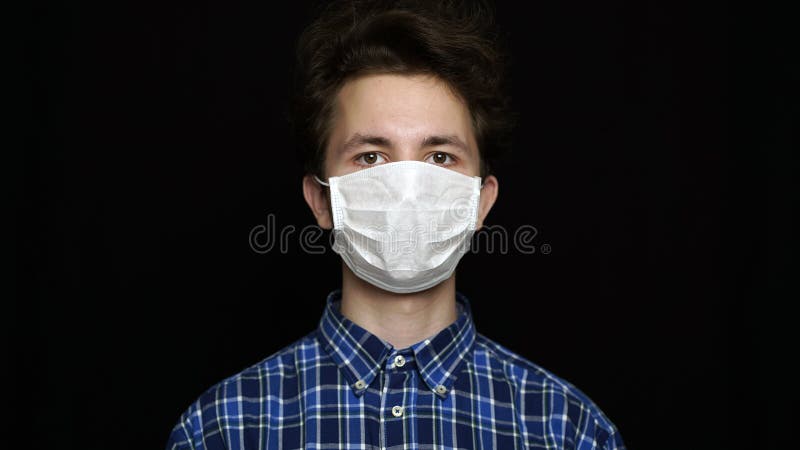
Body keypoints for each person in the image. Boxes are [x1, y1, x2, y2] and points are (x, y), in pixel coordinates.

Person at [166, 0, 625, 448]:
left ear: (480, 202)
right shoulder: (223, 430)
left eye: (440, 157)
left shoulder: (567, 430)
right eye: (371, 156)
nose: (407, 187)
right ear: (321, 201)